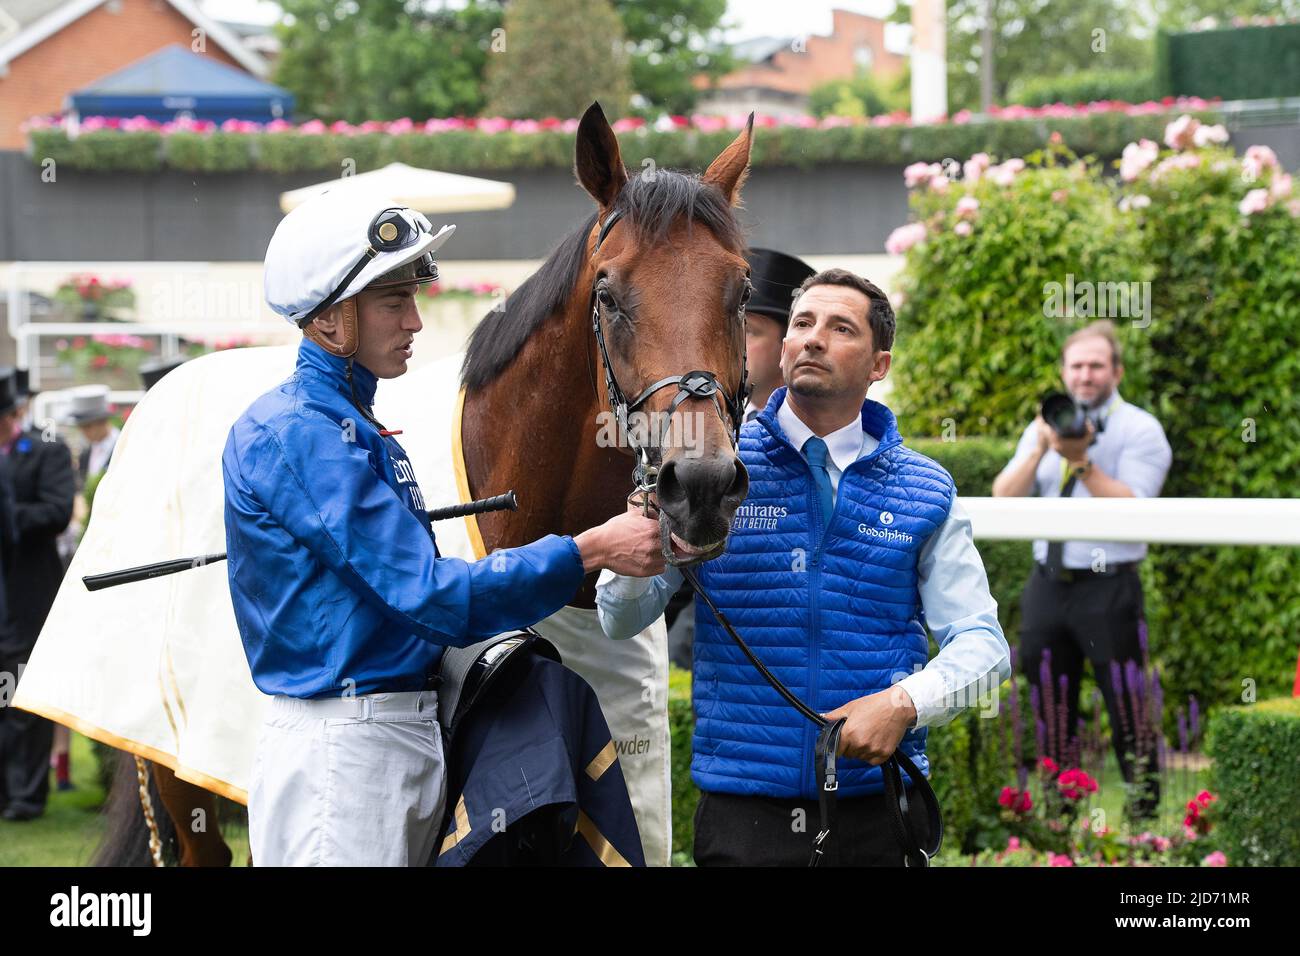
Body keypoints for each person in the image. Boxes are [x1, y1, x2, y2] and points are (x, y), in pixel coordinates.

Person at [222, 191, 667, 866]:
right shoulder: (300, 433)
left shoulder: (357, 427)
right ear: (333, 319)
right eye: (393, 301)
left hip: (392, 738)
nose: (415, 322)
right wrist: (590, 550)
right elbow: (432, 597)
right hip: (342, 756)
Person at [597, 268, 1011, 866]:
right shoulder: (712, 467)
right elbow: (617, 616)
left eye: (841, 327)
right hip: (744, 813)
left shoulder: (926, 489)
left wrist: (904, 703)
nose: (813, 339)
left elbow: (984, 644)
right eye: (802, 324)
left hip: (880, 809)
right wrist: (650, 538)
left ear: (880, 365)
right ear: (783, 346)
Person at [992, 319, 1171, 817]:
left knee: (1128, 705)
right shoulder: (1045, 423)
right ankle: (1058, 817)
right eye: (1077, 365)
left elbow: (1134, 507)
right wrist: (1044, 449)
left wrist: (1082, 462)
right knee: (1052, 704)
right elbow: (1004, 496)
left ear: (1117, 370)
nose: (1085, 375)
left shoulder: (1141, 429)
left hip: (1109, 588)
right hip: (1047, 586)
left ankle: (1144, 820)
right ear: (1064, 372)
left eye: (1096, 365)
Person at [662, 248, 818, 670]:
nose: (731, 346)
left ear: (792, 345)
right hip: (695, 638)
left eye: (747, 330)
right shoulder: (684, 429)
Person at [0, 366, 75, 821]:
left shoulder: (44, 449)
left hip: (26, 593)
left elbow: (56, 511)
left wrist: (9, 518)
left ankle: (26, 796)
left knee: (21, 698)